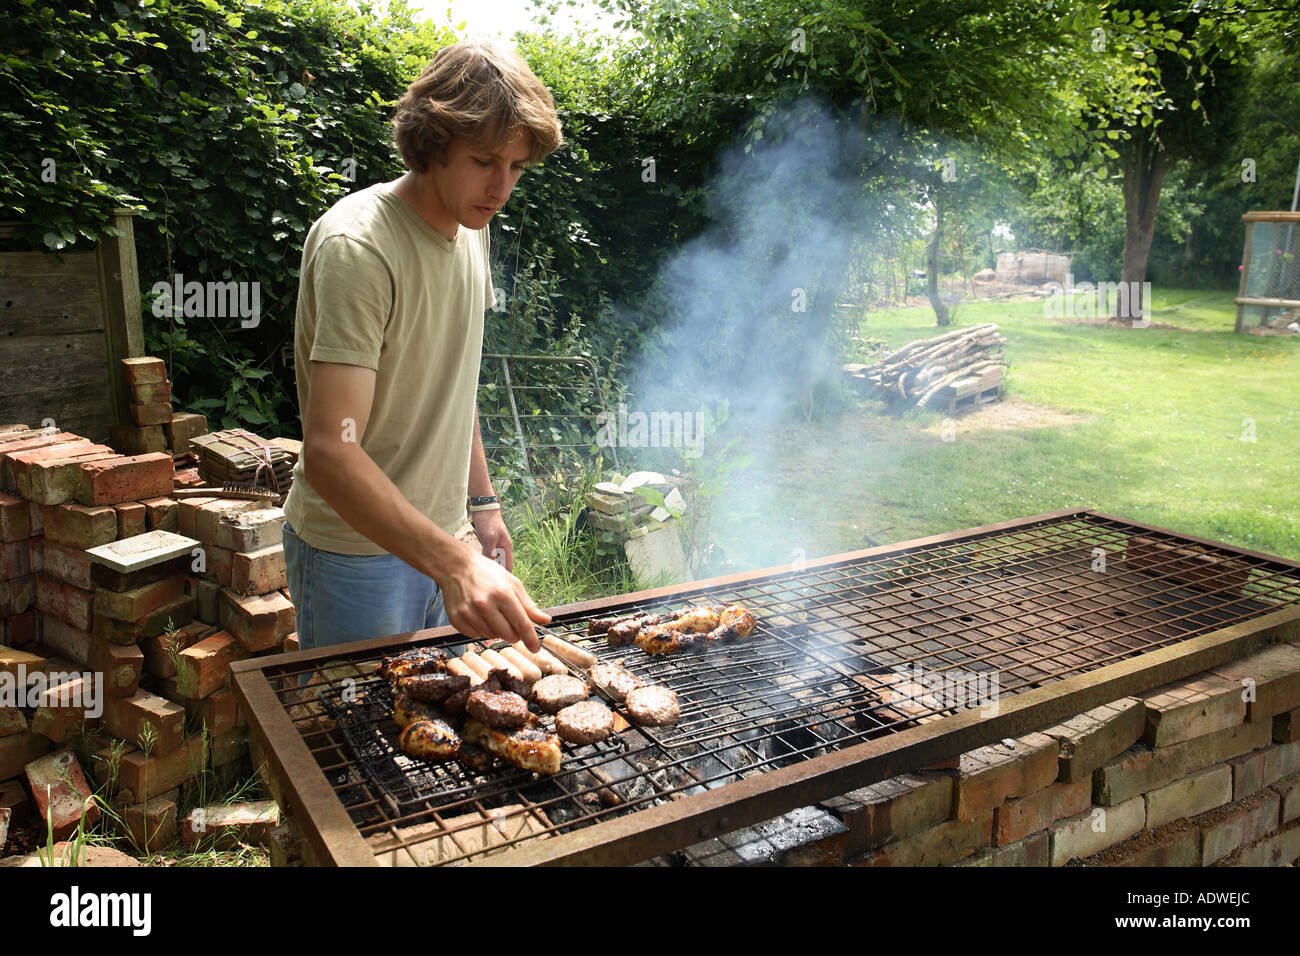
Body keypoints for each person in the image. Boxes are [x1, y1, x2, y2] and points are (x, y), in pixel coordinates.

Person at [281, 41, 563, 657]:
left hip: (448, 538)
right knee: (351, 743)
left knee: (439, 735)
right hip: (355, 556)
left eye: (516, 167)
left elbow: (452, 386)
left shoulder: (471, 230)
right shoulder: (359, 247)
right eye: (485, 160)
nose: (501, 187)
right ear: (433, 142)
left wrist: (482, 506)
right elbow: (332, 449)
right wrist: (453, 564)